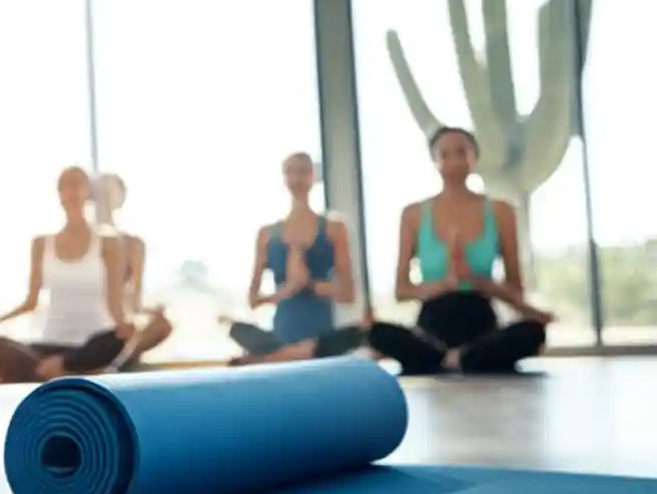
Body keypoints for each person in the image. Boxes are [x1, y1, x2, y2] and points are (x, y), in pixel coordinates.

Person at [368, 127, 551, 374]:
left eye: (461, 152)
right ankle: (454, 358)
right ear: (435, 161)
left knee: (533, 332)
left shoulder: (501, 211)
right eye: (444, 154)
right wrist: (445, 284)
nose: (453, 161)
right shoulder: (413, 214)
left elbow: (515, 289)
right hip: (431, 329)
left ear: (474, 157)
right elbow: (402, 291)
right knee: (377, 332)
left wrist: (475, 281)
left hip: (482, 327)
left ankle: (455, 359)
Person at [0, 167, 134, 384]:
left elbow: (115, 306)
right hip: (48, 344)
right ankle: (57, 369)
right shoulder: (41, 244)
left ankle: (57, 368)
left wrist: (125, 326)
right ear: (59, 194)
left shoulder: (108, 243)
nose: (72, 193)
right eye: (66, 186)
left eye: (78, 186)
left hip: (90, 347)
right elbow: (30, 303)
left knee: (115, 339)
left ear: (87, 193)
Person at [227, 152, 364, 365]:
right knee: (237, 329)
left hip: (319, 337)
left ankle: (273, 358)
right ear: (284, 177)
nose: (297, 178)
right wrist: (286, 291)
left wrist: (310, 285)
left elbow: (348, 294)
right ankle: (292, 352)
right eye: (291, 172)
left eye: (302, 171)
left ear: (313, 176)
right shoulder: (266, 234)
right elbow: (253, 300)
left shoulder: (334, 229)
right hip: (281, 335)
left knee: (359, 333)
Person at [94, 173, 172, 371]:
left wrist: (152, 311)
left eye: (110, 193)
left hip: (119, 323)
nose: (105, 198)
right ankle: (115, 363)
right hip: (89, 320)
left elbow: (135, 303)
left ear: (121, 199)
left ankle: (117, 364)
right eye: (100, 193)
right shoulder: (77, 242)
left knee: (161, 324)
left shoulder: (134, 245)